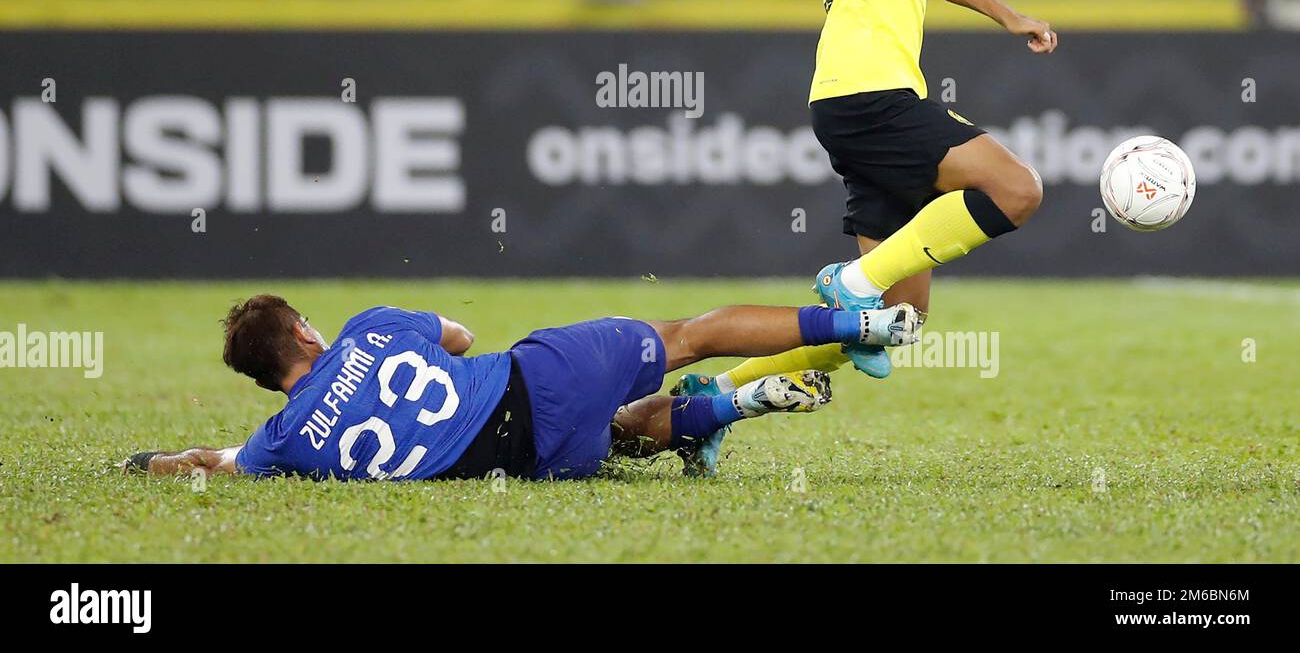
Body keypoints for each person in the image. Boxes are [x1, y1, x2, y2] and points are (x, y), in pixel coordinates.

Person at [675, 0, 1058, 473]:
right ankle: (851, 284)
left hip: (873, 100)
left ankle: (709, 401)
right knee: (1016, 188)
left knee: (896, 324)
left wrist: (1004, 13)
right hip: (865, 94)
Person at [119, 293, 924, 483]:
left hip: (534, 459)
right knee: (688, 337)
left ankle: (735, 404)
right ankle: (861, 325)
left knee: (615, 433)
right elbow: (463, 339)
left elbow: (208, 461)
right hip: (535, 378)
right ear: (302, 332)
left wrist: (148, 462)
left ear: (268, 382)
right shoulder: (366, 330)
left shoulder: (281, 443)